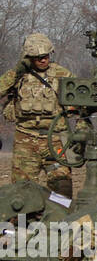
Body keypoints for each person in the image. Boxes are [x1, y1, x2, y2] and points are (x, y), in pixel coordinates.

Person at [0, 33, 75, 196]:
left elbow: (82, 103)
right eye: (37, 57)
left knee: (62, 191)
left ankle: (59, 221)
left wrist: (81, 128)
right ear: (28, 57)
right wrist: (16, 72)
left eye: (45, 56)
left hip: (55, 141)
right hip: (25, 142)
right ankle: (23, 222)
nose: (43, 60)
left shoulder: (63, 74)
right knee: (21, 193)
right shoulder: (18, 76)